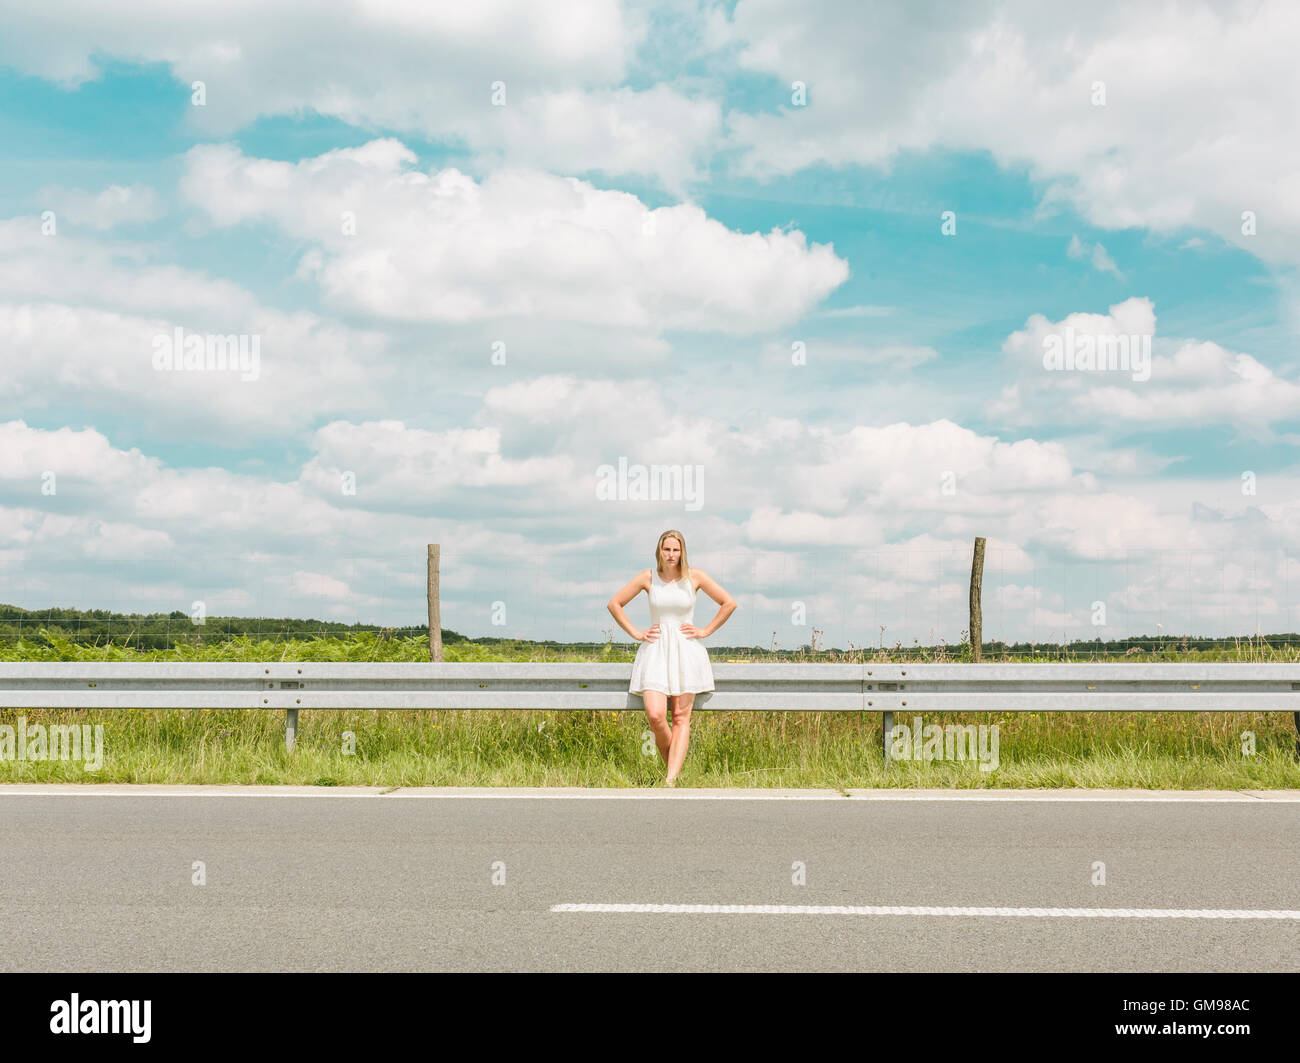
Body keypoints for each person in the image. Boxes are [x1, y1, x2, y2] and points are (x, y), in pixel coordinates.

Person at [606, 529, 737, 786]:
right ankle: (674, 768)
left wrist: (705, 630)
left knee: (680, 717)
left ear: (682, 552)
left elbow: (728, 603)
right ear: (659, 551)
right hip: (655, 649)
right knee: (655, 716)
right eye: (667, 549)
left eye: (676, 550)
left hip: (687, 649)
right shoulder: (648, 577)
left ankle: (670, 780)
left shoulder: (694, 577)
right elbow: (614, 603)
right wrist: (635, 632)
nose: (671, 555)